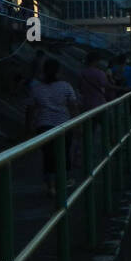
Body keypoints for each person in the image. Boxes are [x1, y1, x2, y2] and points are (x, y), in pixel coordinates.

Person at [25, 58, 79, 198]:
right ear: (58, 71)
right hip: (64, 124)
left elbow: (30, 108)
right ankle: (63, 181)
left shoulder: (36, 88)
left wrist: (29, 126)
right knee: (64, 153)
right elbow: (73, 105)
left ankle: (50, 186)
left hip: (43, 125)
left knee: (48, 156)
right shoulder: (65, 86)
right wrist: (77, 122)